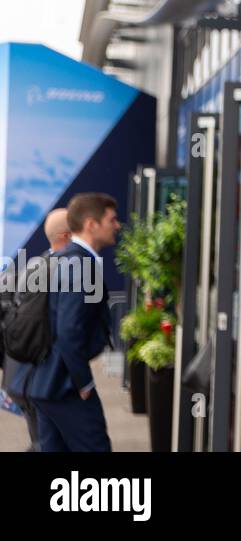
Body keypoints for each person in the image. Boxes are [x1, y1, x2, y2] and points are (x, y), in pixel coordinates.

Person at [26, 193, 119, 452]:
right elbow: (69, 330)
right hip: (65, 385)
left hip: (46, 383)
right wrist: (84, 382)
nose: (117, 225)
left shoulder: (63, 260)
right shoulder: (79, 265)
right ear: (91, 224)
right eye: (111, 219)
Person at [0, 208, 72, 449]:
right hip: (38, 379)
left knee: (42, 439)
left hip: (20, 375)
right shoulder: (59, 273)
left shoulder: (31, 268)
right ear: (67, 235)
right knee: (47, 442)